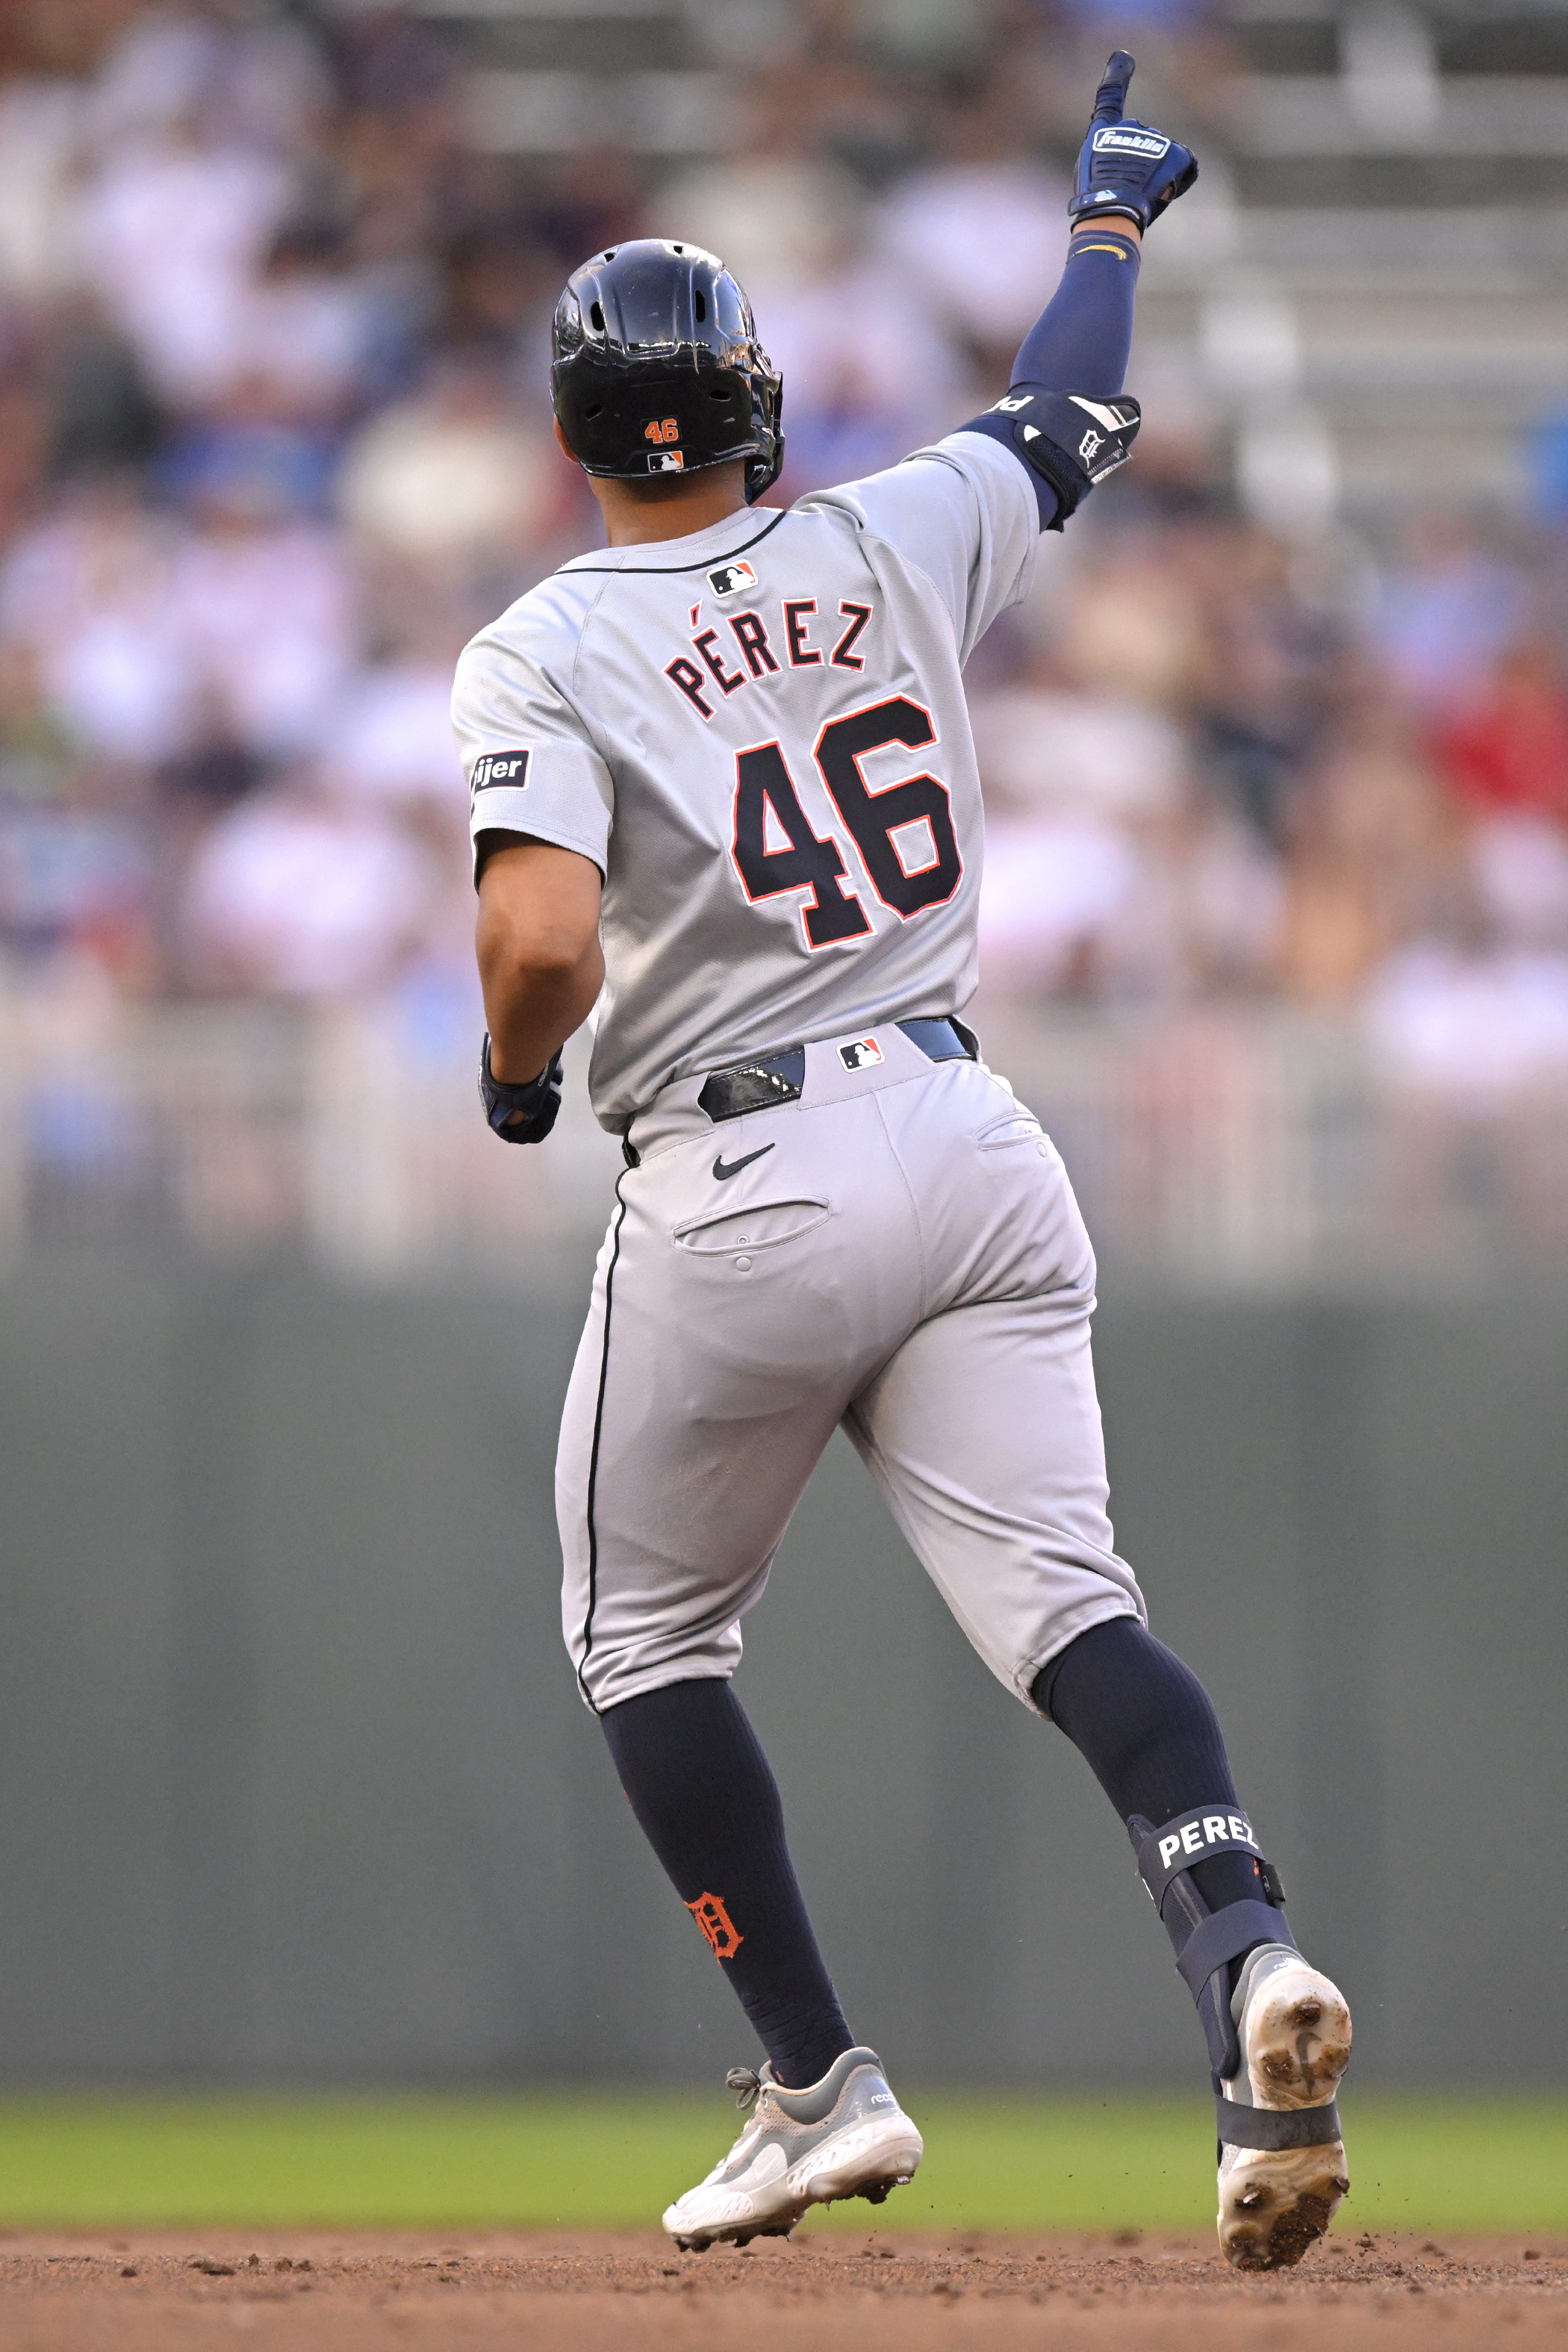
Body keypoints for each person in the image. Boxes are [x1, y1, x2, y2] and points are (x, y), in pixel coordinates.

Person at [452, 54, 1351, 2274]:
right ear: (751, 399)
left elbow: (542, 944)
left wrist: (513, 1081)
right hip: (965, 1129)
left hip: (740, 1167)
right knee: (1077, 1612)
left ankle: (814, 2085)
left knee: (641, 1633)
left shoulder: (545, 641)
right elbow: (1071, 412)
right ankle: (1246, 1964)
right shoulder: (889, 528)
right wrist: (1106, 226)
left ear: (578, 438)